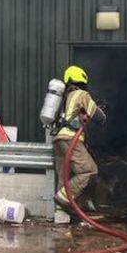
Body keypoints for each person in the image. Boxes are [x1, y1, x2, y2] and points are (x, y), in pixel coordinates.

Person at [53, 64, 106, 215]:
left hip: (58, 140)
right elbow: (99, 117)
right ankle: (63, 199)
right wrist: (101, 112)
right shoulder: (81, 94)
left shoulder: (64, 97)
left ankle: (61, 215)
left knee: (64, 175)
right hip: (71, 140)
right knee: (89, 171)